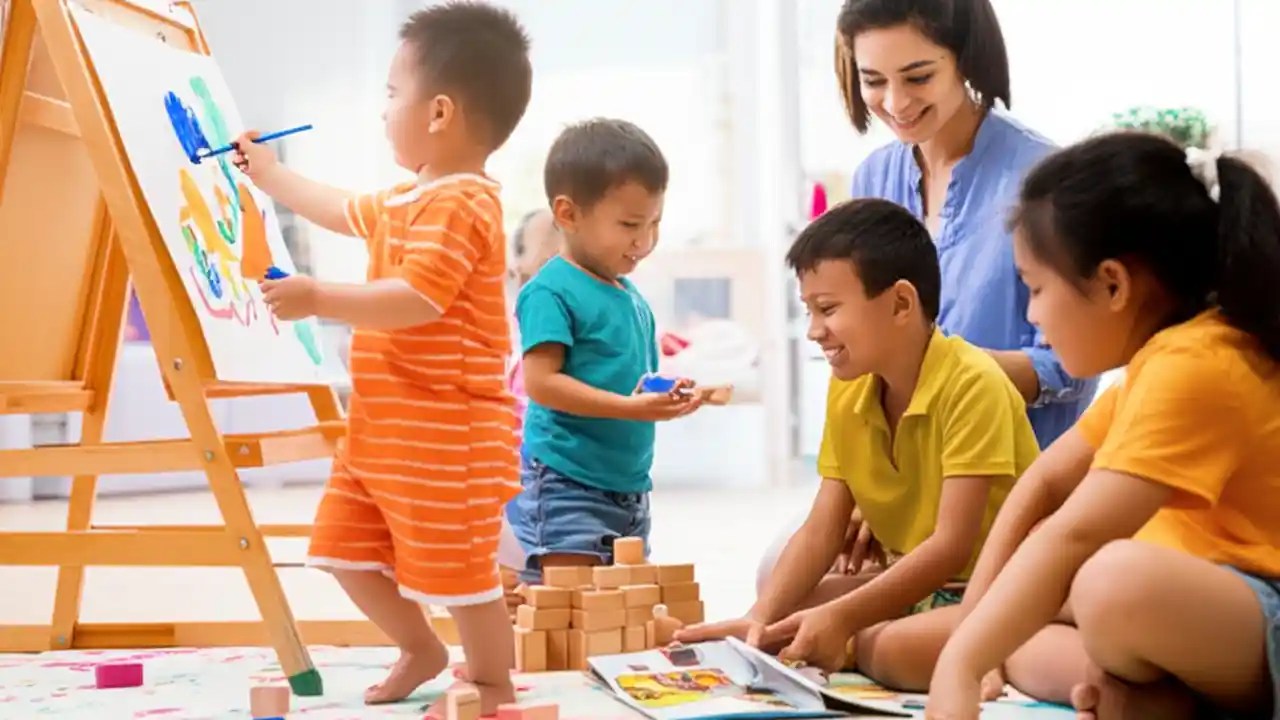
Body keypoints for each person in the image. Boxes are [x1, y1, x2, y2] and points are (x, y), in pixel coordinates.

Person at [232, 3, 532, 713]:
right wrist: (268, 175)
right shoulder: (407, 198)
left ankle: (492, 682)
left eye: (393, 94)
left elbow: (417, 298)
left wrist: (318, 296)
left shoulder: (465, 204)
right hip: (382, 430)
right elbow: (341, 210)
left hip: (448, 435)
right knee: (340, 548)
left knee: (463, 578)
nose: (383, 110)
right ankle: (420, 647)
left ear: (439, 113)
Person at [756, 0, 1096, 620]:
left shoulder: (1043, 179)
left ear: (964, 58)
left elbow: (1075, 365)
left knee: (856, 612)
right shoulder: (874, 176)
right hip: (912, 488)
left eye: (917, 77)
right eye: (873, 80)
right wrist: (878, 486)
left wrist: (942, 376)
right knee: (777, 572)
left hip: (1010, 485)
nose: (895, 102)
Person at [926, 133, 1280, 720]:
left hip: (1263, 608)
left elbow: (1076, 534)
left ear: (1113, 284)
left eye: (1036, 289)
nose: (1033, 314)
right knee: (1020, 632)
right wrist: (970, 642)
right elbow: (1042, 484)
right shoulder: (1162, 362)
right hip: (1216, 616)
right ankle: (1160, 703)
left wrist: (959, 664)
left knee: (1106, 581)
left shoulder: (1198, 364)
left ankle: (1171, 702)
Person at [677, 198, 1038, 682]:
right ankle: (857, 640)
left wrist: (843, 618)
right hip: (917, 589)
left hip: (984, 589)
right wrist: (757, 621)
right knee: (785, 613)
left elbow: (950, 547)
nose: (814, 331)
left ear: (901, 304)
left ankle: (873, 645)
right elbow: (822, 528)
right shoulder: (848, 387)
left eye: (827, 309)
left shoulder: (974, 384)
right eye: (808, 311)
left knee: (887, 648)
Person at [508, 118, 703, 583]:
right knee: (568, 605)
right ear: (568, 214)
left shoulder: (629, 295)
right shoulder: (550, 290)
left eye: (655, 223)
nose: (645, 241)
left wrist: (664, 390)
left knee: (619, 605)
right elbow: (541, 383)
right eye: (630, 225)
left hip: (626, 486)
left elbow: (628, 380)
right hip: (566, 481)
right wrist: (629, 408)